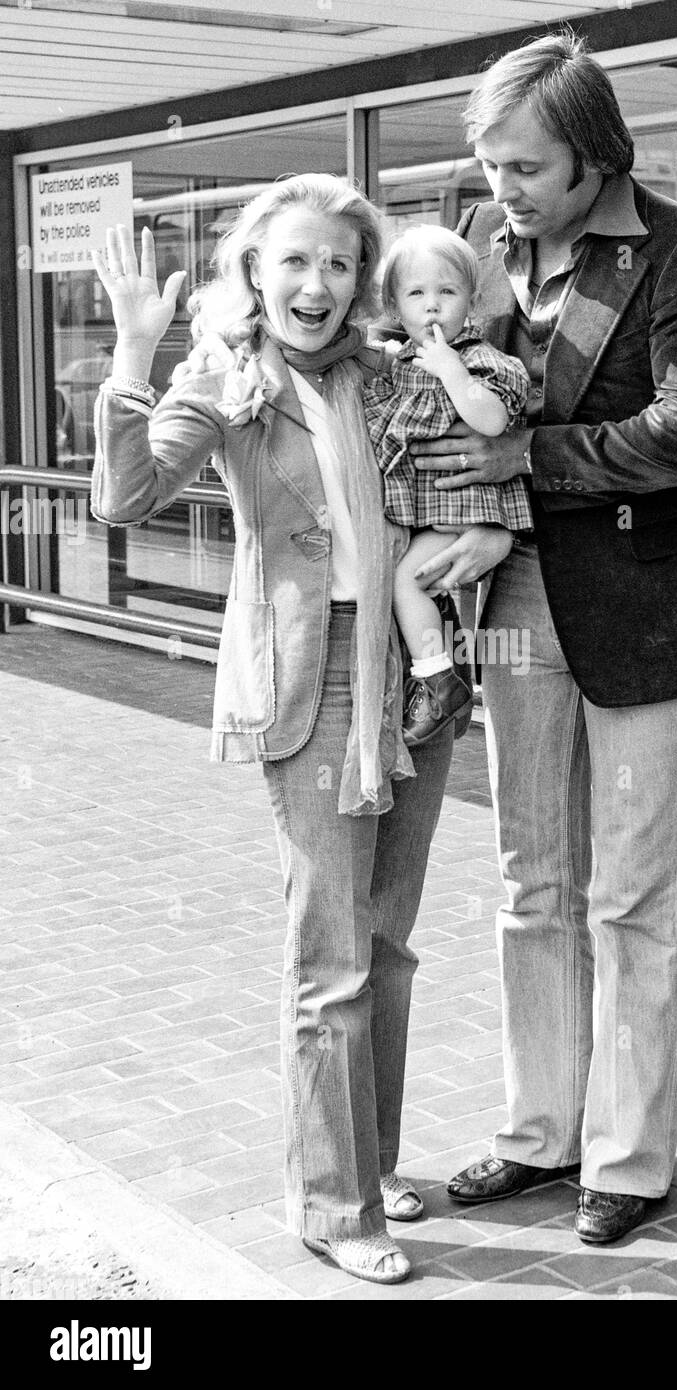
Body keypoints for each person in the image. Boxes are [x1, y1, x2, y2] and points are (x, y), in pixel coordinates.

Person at [90, 174, 510, 1283]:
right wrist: (135, 357)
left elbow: (479, 464)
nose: (316, 283)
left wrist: (492, 534)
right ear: (254, 274)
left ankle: (367, 1162)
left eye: (337, 263)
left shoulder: (387, 376)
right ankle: (333, 1206)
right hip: (308, 684)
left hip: (413, 670)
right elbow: (121, 501)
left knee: (388, 951)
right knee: (330, 963)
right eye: (294, 261)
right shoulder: (225, 380)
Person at [412, 33, 677, 1243]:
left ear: (597, 154)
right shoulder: (482, 253)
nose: (503, 191)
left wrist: (527, 458)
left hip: (642, 613)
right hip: (510, 608)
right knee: (529, 881)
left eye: (527, 167)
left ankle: (628, 1155)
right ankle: (537, 1134)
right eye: (491, 166)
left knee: (634, 892)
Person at [364, 225, 531, 746]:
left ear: (473, 300)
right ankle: (445, 676)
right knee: (422, 586)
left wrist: (453, 372)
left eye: (447, 292)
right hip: (428, 509)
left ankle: (438, 681)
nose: (432, 307)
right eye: (416, 294)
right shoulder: (396, 361)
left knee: (407, 580)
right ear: (394, 304)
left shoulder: (480, 359)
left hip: (463, 507)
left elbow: (493, 421)